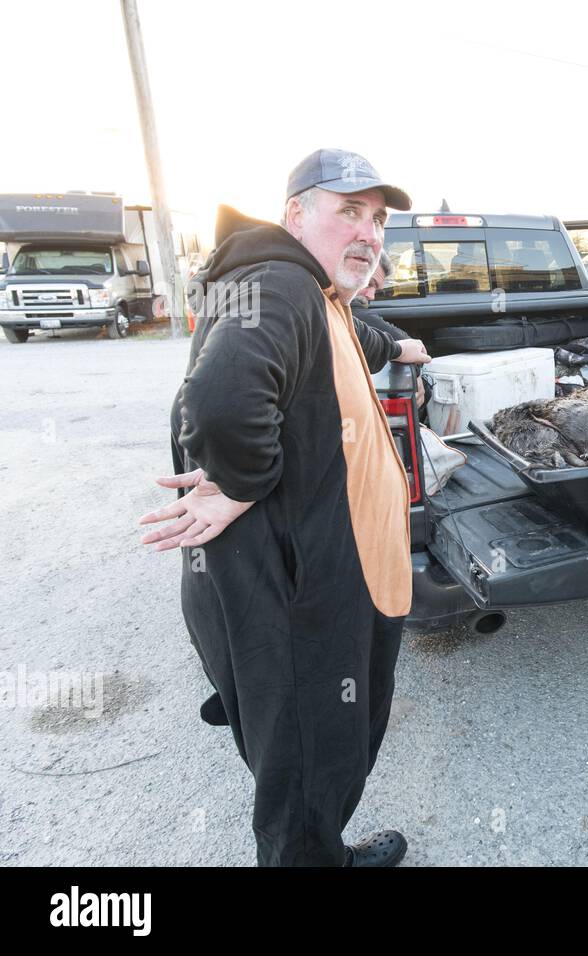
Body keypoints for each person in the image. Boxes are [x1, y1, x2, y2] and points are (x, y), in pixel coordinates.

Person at [139, 148, 431, 865]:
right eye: (349, 211)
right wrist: (240, 483)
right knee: (309, 762)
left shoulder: (301, 287)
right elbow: (220, 401)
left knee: (295, 746)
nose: (368, 232)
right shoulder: (280, 284)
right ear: (295, 213)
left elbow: (343, 335)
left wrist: (398, 340)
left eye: (379, 219)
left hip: (278, 580)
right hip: (298, 591)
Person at [351, 251, 433, 424]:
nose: (371, 296)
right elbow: (408, 345)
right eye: (369, 284)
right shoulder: (345, 311)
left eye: (376, 289)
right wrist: (414, 373)